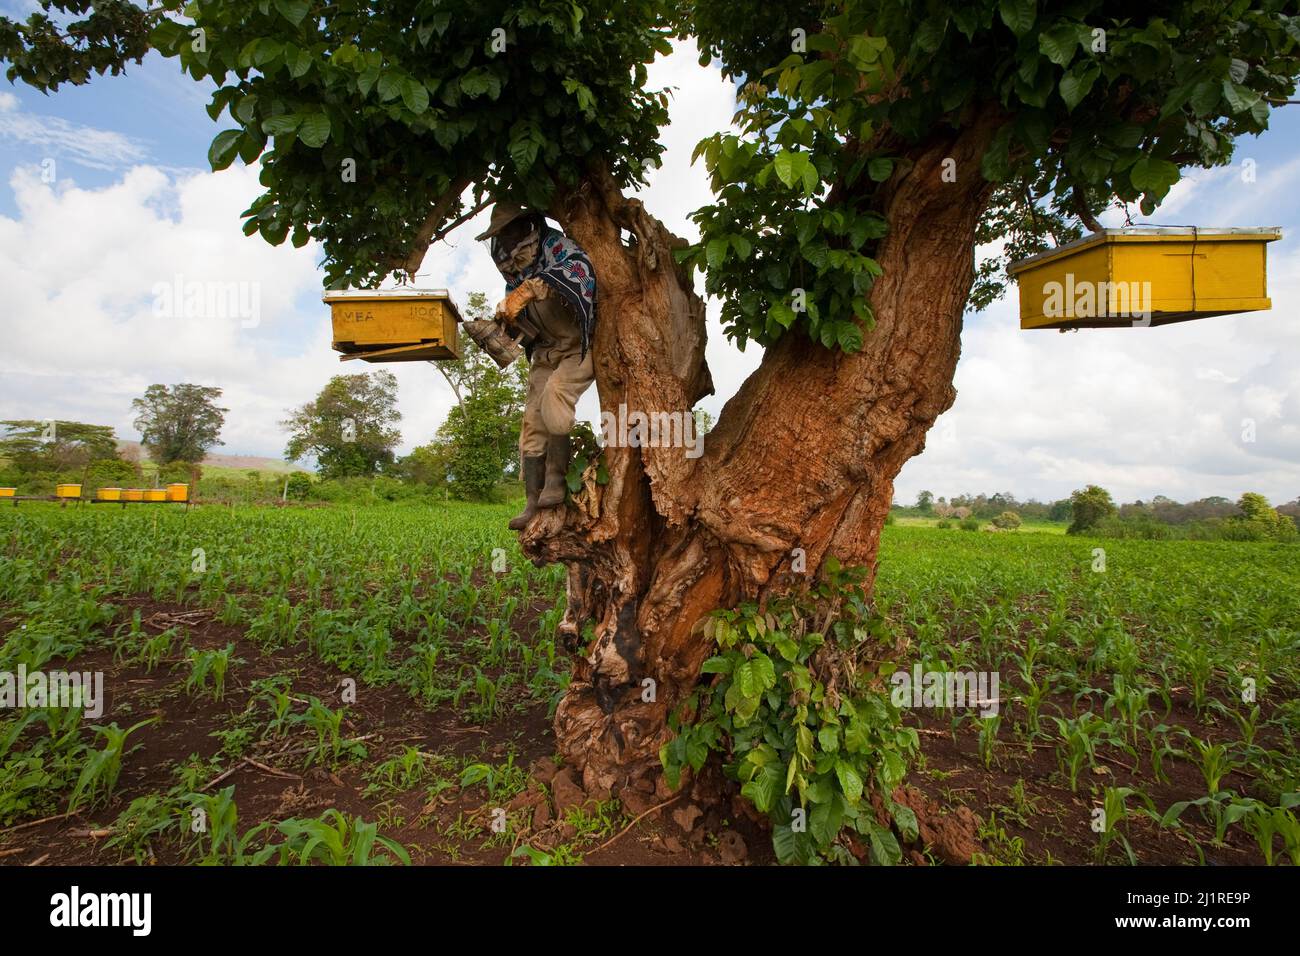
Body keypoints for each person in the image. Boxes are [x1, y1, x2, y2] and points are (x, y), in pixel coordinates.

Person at [477, 203, 597, 531]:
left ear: (529, 231)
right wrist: (500, 326)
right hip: (544, 352)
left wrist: (533, 288)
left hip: (577, 347)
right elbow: (518, 324)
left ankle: (556, 480)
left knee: (555, 398)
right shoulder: (512, 270)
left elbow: (580, 271)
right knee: (531, 420)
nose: (512, 263)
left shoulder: (557, 247)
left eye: (517, 253)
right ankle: (532, 500)